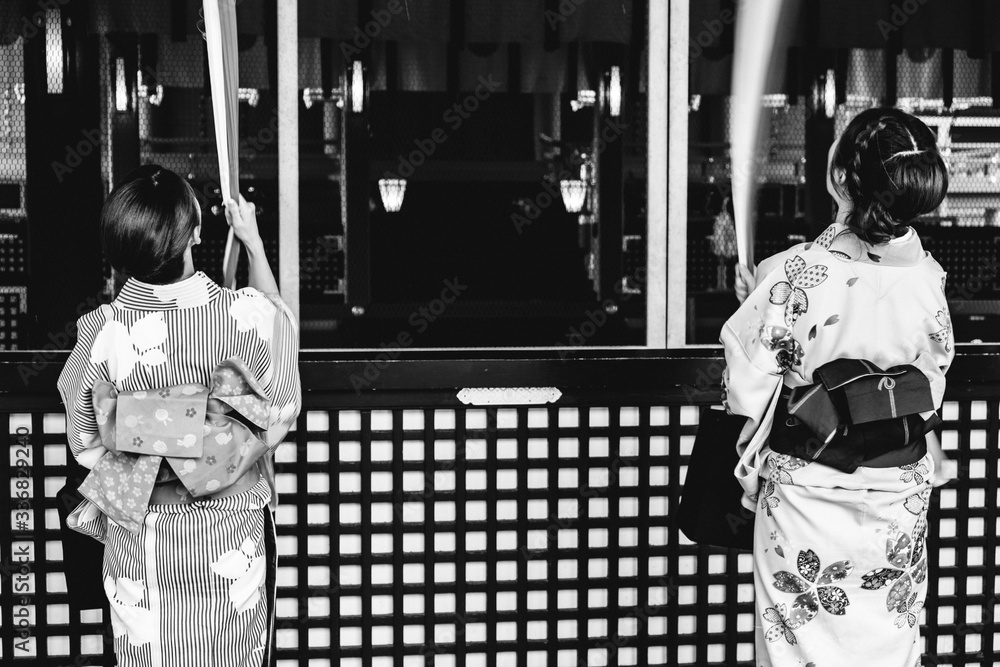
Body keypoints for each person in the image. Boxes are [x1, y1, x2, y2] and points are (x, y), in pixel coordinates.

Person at [721, 107, 954, 665]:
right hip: (896, 487)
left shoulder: (793, 271)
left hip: (809, 488)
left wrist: (761, 302)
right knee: (888, 636)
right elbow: (932, 378)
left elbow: (748, 385)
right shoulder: (928, 280)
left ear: (841, 177)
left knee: (797, 641)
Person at [57, 165, 301, 666]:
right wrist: (253, 244)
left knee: (148, 650)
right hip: (227, 532)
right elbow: (282, 411)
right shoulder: (248, 317)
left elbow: (86, 445)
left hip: (142, 533)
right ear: (195, 231)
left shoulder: (100, 332)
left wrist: (155, 436)